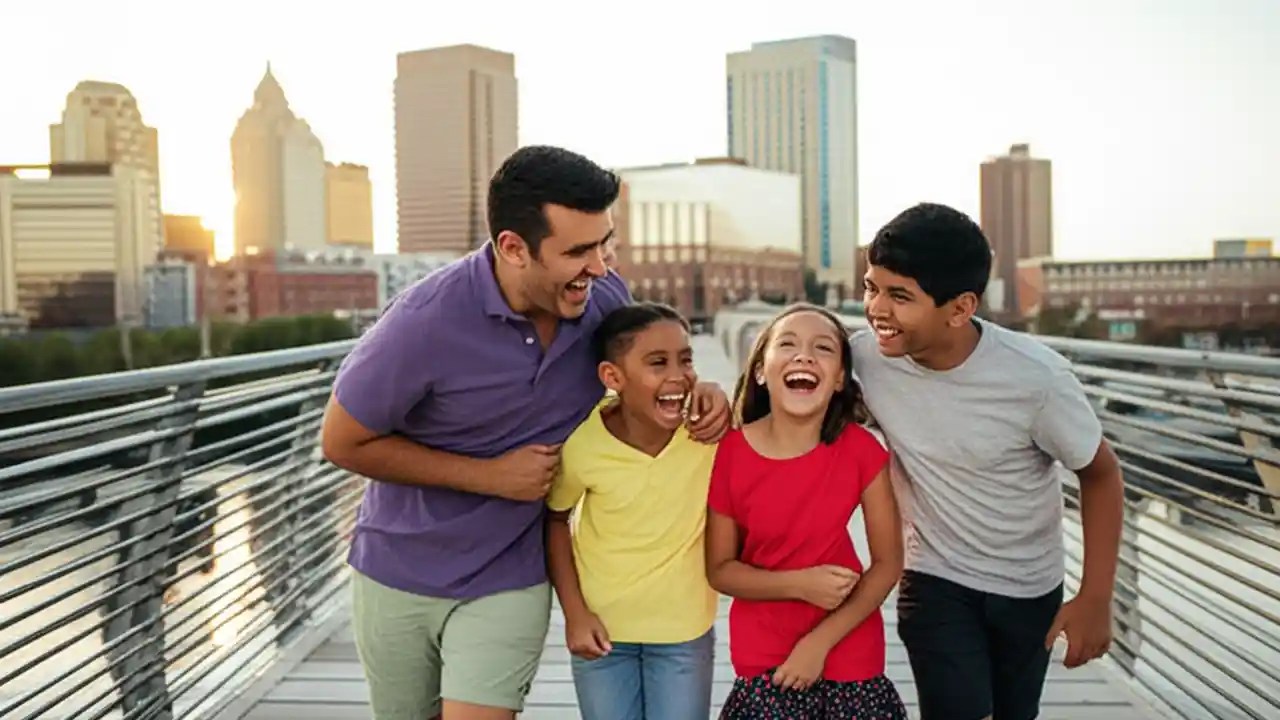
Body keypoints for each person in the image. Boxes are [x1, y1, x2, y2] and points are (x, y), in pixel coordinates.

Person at [319, 145, 731, 720]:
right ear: (513, 248)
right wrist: (487, 476)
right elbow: (340, 441)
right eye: (578, 251)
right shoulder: (423, 323)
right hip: (399, 568)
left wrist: (697, 389)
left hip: (510, 569)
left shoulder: (602, 299)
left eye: (604, 244)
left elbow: (641, 369)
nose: (601, 267)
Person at [853, 202, 1124, 720]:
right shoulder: (867, 359)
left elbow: (1101, 474)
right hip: (934, 576)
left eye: (900, 296)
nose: (876, 309)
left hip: (1029, 585)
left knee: (1014, 713)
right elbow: (784, 376)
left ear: (959, 308)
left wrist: (1095, 597)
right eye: (871, 287)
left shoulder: (1035, 380)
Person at [705, 303, 909, 719]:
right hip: (766, 657)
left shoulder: (861, 450)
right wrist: (799, 584)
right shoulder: (729, 453)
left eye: (823, 348)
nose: (805, 355)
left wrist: (819, 643)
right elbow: (720, 569)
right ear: (761, 370)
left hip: (850, 650)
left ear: (838, 380)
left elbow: (888, 563)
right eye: (788, 344)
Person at [545, 302, 718, 720]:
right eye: (658, 362)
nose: (678, 375)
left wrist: (718, 393)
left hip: (683, 631)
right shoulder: (583, 443)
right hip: (602, 634)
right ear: (613, 377)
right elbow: (555, 519)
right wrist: (575, 614)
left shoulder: (708, 431)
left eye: (686, 359)